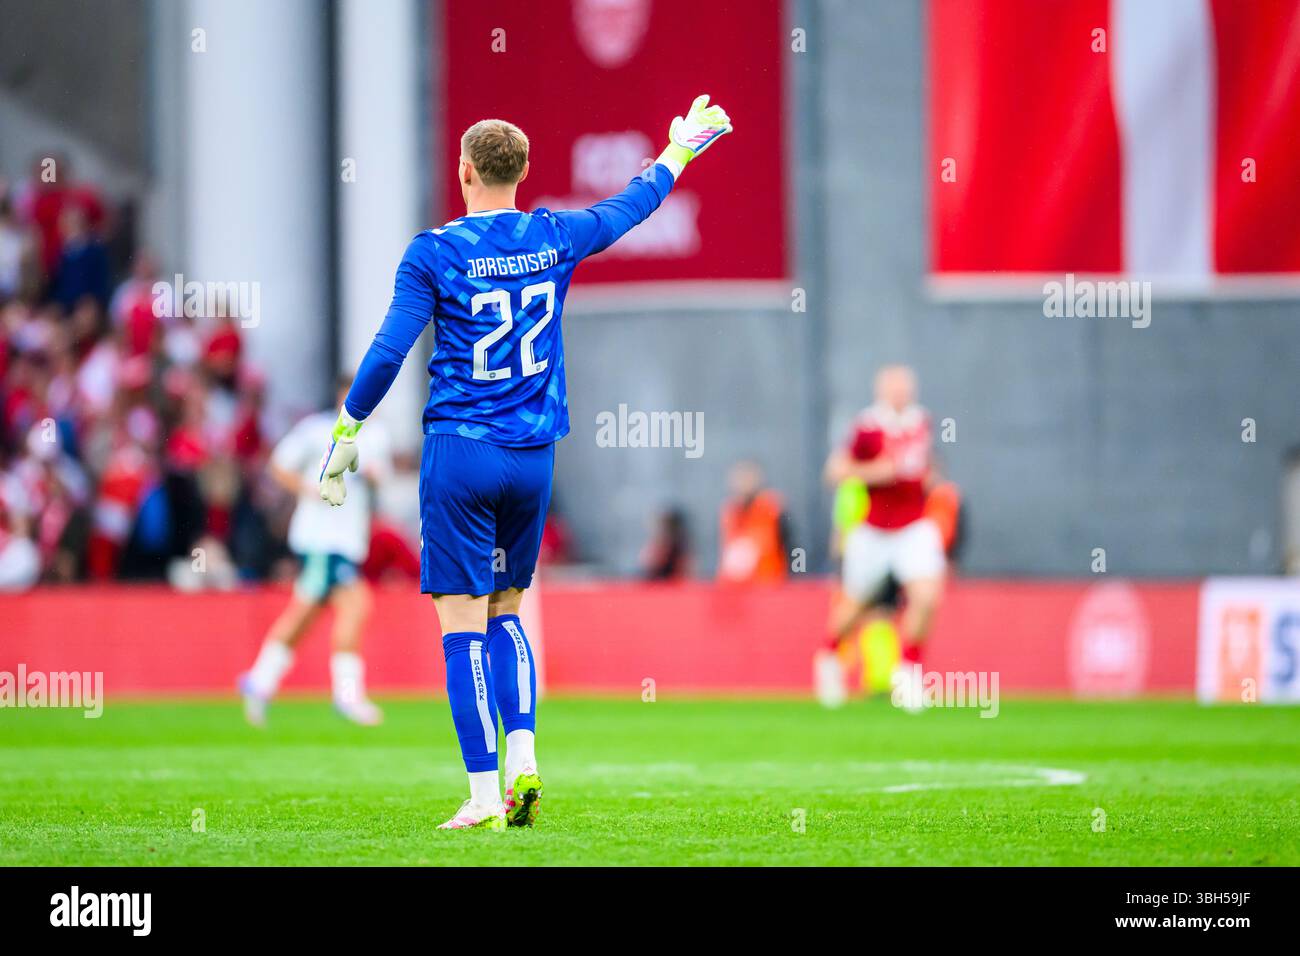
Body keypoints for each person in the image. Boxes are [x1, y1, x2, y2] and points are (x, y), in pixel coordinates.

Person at [316, 96, 732, 830]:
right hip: (534, 457)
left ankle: (481, 793)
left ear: (464, 170)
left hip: (462, 452)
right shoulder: (553, 235)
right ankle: (526, 753)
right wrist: (680, 150)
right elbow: (630, 207)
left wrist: (350, 426)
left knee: (460, 625)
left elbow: (389, 350)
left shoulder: (435, 252)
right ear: (527, 170)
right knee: (509, 610)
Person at [238, 378, 391, 727]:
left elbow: (380, 479)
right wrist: (308, 489)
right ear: (342, 396)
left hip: (348, 539)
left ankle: (260, 681)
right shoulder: (316, 430)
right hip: (322, 538)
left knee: (305, 613)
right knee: (356, 605)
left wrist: (368, 474)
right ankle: (347, 696)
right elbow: (279, 465)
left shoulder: (376, 436)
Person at [822, 365, 946, 711]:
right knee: (858, 604)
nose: (901, 393)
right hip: (874, 529)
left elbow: (921, 465)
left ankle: (909, 673)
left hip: (914, 525)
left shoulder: (922, 421)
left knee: (926, 595)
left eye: (905, 387)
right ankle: (830, 655)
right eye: (894, 387)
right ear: (881, 391)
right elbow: (835, 472)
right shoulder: (867, 428)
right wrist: (877, 472)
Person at [717, 459, 789, 583]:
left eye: (747, 478)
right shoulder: (731, 511)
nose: (743, 483)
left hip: (768, 580)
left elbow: (782, 543)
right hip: (736, 585)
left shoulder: (771, 507)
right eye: (740, 479)